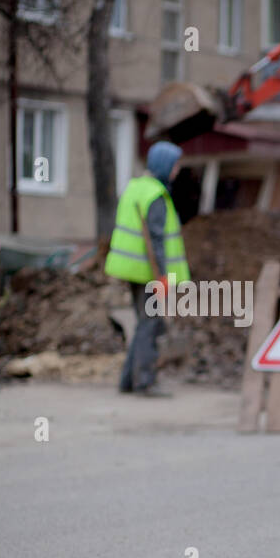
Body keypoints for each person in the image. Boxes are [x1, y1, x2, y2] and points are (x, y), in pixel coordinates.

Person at [104, 141, 190, 396]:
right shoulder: (155, 195)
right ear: (164, 166)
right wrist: (162, 276)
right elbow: (156, 240)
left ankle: (127, 380)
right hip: (147, 271)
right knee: (150, 324)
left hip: (131, 268)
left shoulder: (136, 188)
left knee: (144, 322)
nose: (176, 172)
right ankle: (145, 381)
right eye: (174, 166)